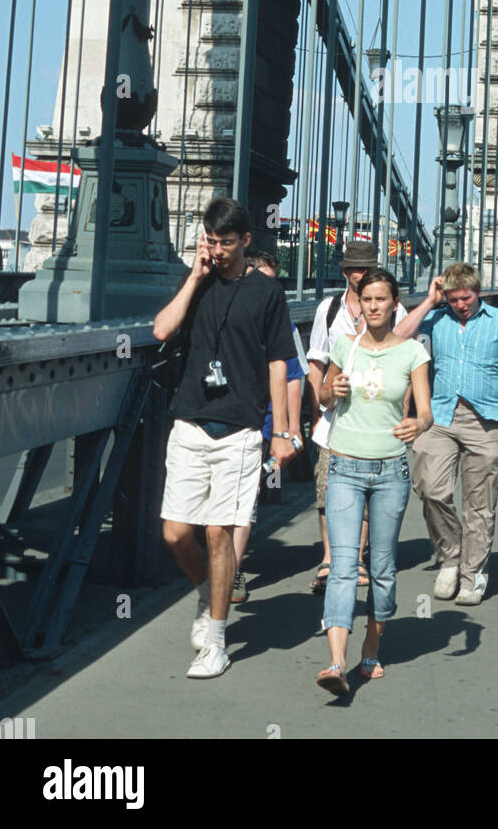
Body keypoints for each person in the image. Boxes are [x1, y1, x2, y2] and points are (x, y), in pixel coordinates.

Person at [153, 198, 297, 679]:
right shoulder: (198, 281)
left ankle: (216, 640)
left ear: (246, 241)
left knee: (218, 533)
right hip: (190, 421)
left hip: (239, 429)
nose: (216, 251)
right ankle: (206, 591)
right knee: (175, 533)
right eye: (210, 241)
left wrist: (281, 431)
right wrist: (194, 277)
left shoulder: (266, 293)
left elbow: (279, 362)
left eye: (226, 243)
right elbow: (161, 330)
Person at [317, 268, 432, 696]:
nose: (374, 306)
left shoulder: (413, 353)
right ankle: (335, 662)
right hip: (344, 466)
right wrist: (333, 390)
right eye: (367, 300)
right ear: (359, 304)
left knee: (382, 570)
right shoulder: (344, 346)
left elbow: (426, 413)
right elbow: (323, 396)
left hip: (390, 472)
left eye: (382, 299)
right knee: (344, 568)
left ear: (394, 303)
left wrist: (415, 426)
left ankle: (371, 642)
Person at [395, 262, 498, 606]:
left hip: (485, 421)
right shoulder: (436, 318)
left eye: (466, 297)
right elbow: (396, 338)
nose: (460, 304)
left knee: (479, 504)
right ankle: (450, 557)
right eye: (454, 299)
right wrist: (429, 302)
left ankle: (473, 575)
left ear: (478, 292)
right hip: (439, 416)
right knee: (430, 489)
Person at [306, 241, 407, 594]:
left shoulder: (396, 311)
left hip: (376, 419)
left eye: (364, 270)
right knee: (326, 486)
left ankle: (358, 557)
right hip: (333, 417)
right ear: (345, 271)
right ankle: (331, 558)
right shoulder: (328, 310)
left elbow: (408, 362)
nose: (358, 275)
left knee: (363, 489)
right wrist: (319, 408)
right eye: (352, 269)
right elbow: (316, 363)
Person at [230, 250, 307, 604]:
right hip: (220, 421)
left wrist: (290, 428)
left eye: (274, 284)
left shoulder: (285, 326)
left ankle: (230, 572)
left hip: (259, 428)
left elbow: (293, 378)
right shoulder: (224, 310)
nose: (269, 292)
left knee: (243, 503)